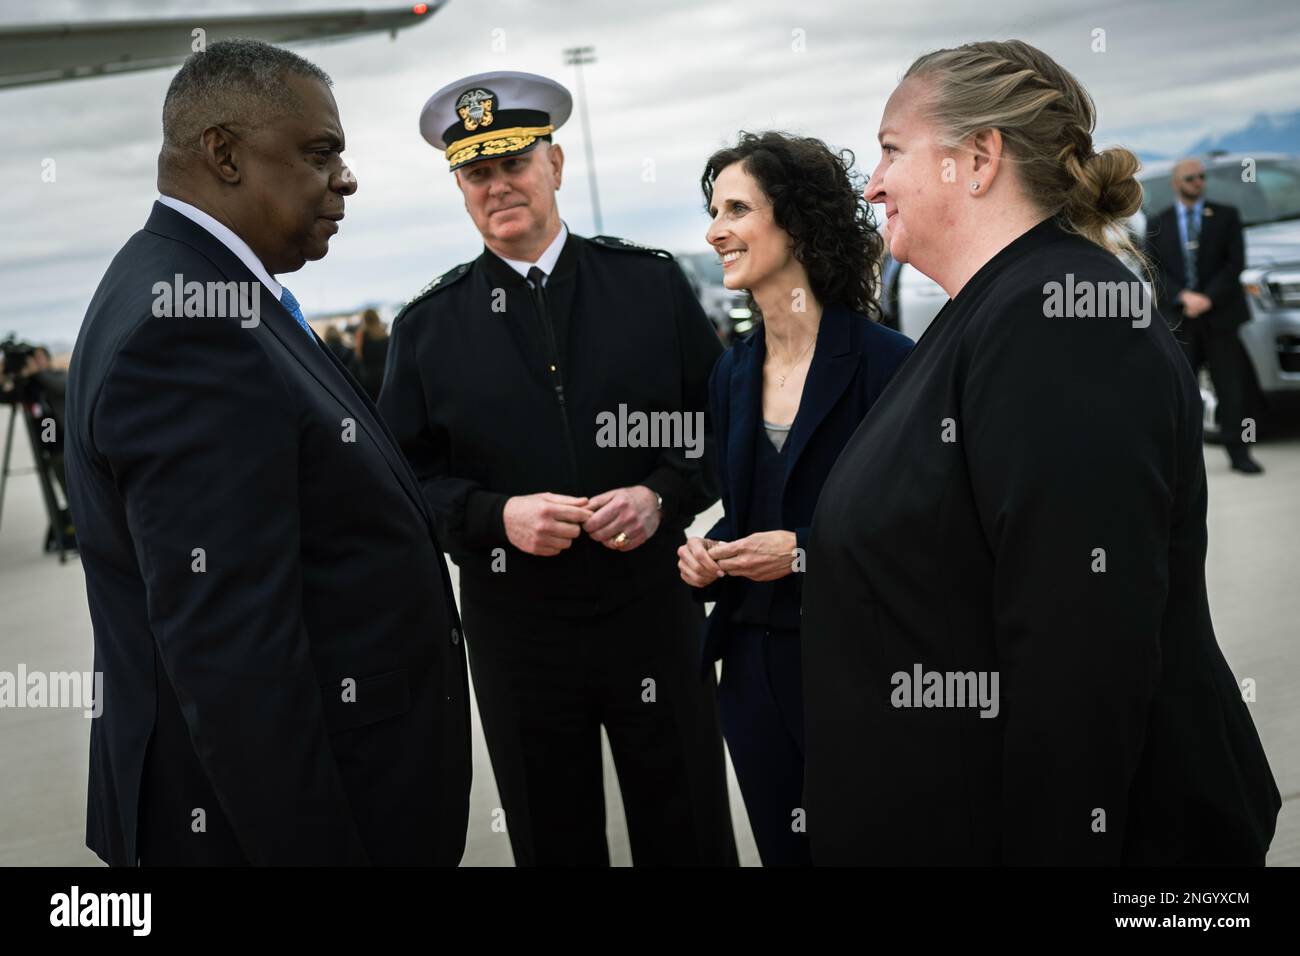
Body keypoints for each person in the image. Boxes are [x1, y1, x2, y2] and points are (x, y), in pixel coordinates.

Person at [800, 39, 1280, 865]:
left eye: (889, 150)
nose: (872, 184)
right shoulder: (990, 311)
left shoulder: (1058, 323)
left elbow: (1080, 655)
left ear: (978, 158)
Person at [64, 40, 471, 866]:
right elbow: (234, 660)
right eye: (320, 153)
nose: (346, 178)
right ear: (223, 154)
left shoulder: (198, 289)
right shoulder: (190, 328)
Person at [379, 70, 736, 866]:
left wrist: (661, 494)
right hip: (519, 632)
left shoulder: (646, 285)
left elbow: (718, 427)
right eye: (477, 172)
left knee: (690, 827)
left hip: (654, 607)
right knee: (553, 838)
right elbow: (402, 488)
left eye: (513, 163)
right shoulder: (428, 329)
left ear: (556, 165)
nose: (497, 186)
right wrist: (493, 516)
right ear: (460, 189)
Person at [679, 131, 912, 866]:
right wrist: (709, 551)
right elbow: (756, 510)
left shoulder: (889, 365)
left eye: (737, 208)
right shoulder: (731, 373)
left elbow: (924, 529)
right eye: (713, 210)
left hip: (859, 670)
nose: (716, 230)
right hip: (752, 673)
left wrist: (805, 553)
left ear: (799, 222)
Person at [1147, 159, 1262, 474]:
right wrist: (1183, 296)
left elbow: (1234, 264)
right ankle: (1181, 463)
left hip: (1221, 317)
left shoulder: (1226, 216)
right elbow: (1153, 270)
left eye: (1201, 177)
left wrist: (1207, 297)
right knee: (1180, 393)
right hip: (1181, 320)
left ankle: (1240, 453)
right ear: (1176, 183)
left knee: (1231, 388)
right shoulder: (1159, 222)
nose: (1197, 182)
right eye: (1190, 178)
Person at [354, 308, 389, 400]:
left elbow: (358, 355)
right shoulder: (384, 334)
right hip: (385, 376)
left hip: (368, 378)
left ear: (364, 320)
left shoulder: (361, 334)